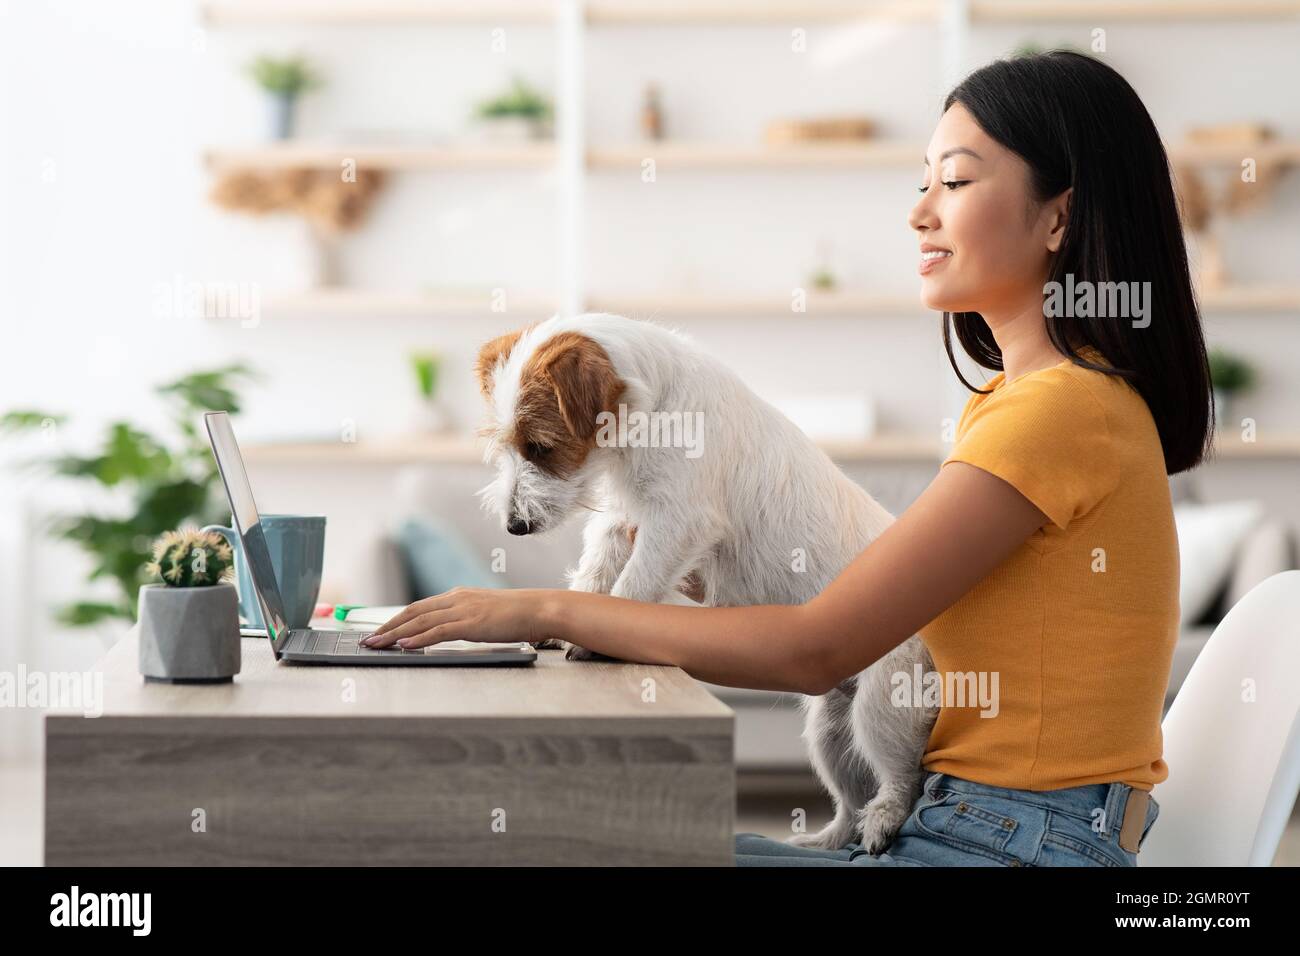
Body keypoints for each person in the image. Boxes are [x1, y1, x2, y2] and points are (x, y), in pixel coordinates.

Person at [365, 51, 1212, 867]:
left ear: (1059, 217)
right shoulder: (1026, 403)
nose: (919, 211)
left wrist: (542, 611)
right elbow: (846, 607)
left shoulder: (1062, 409)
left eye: (954, 181)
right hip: (983, 825)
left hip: (1008, 843)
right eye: (922, 181)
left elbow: (817, 651)